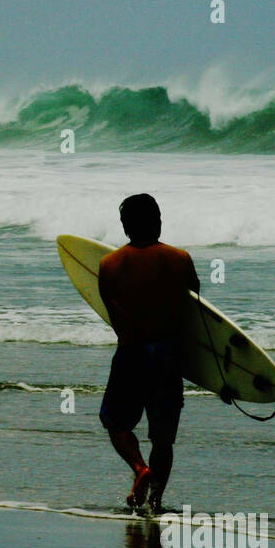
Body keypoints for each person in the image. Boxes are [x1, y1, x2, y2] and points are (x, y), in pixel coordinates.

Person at [97, 194, 199, 513]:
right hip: (167, 357)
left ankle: (140, 468)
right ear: (158, 221)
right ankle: (155, 501)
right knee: (163, 438)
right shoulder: (180, 259)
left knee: (115, 422)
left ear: (126, 226)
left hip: (130, 354)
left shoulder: (109, 264)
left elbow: (111, 314)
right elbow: (195, 310)